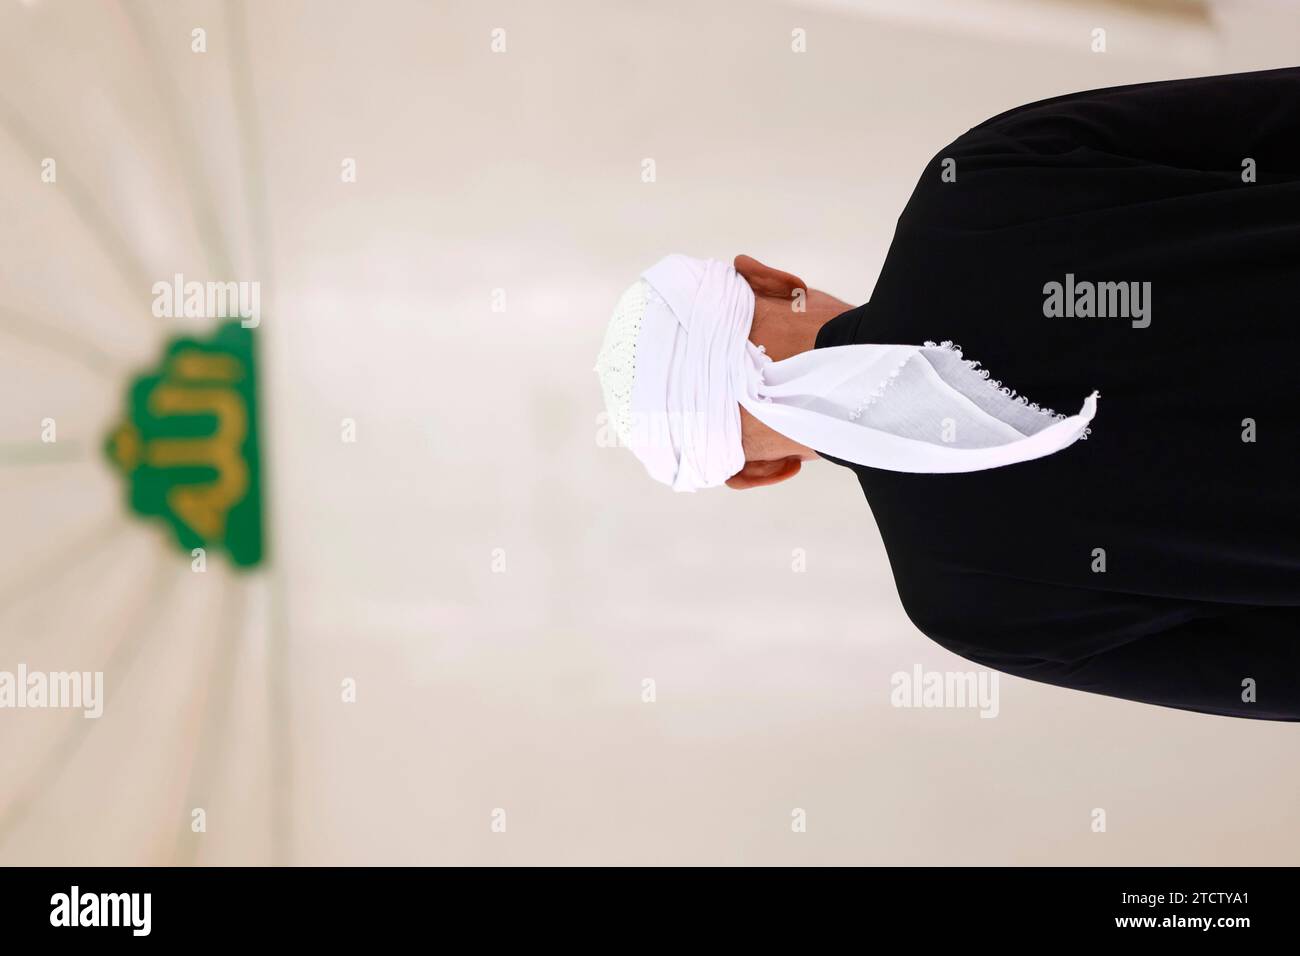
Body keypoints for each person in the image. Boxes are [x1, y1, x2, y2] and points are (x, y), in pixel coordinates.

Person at [594, 68, 1300, 721]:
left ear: (754, 472)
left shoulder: (967, 603)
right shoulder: (978, 182)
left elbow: (1275, 675)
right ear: (772, 276)